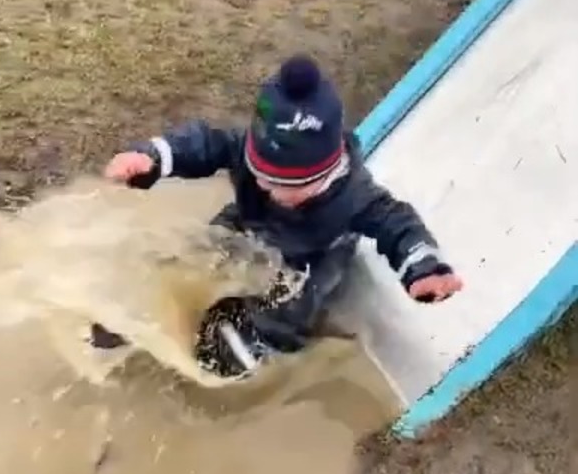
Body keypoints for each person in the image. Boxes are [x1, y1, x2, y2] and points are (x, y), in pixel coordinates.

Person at [97, 55, 463, 362]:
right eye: (261, 176)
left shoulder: (354, 193)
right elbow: (203, 145)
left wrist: (424, 269)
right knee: (193, 256)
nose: (270, 188)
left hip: (309, 259)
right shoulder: (248, 152)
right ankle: (139, 318)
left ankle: (243, 352)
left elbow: (397, 223)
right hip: (248, 226)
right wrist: (150, 158)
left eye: (289, 185)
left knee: (287, 310)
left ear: (325, 172)